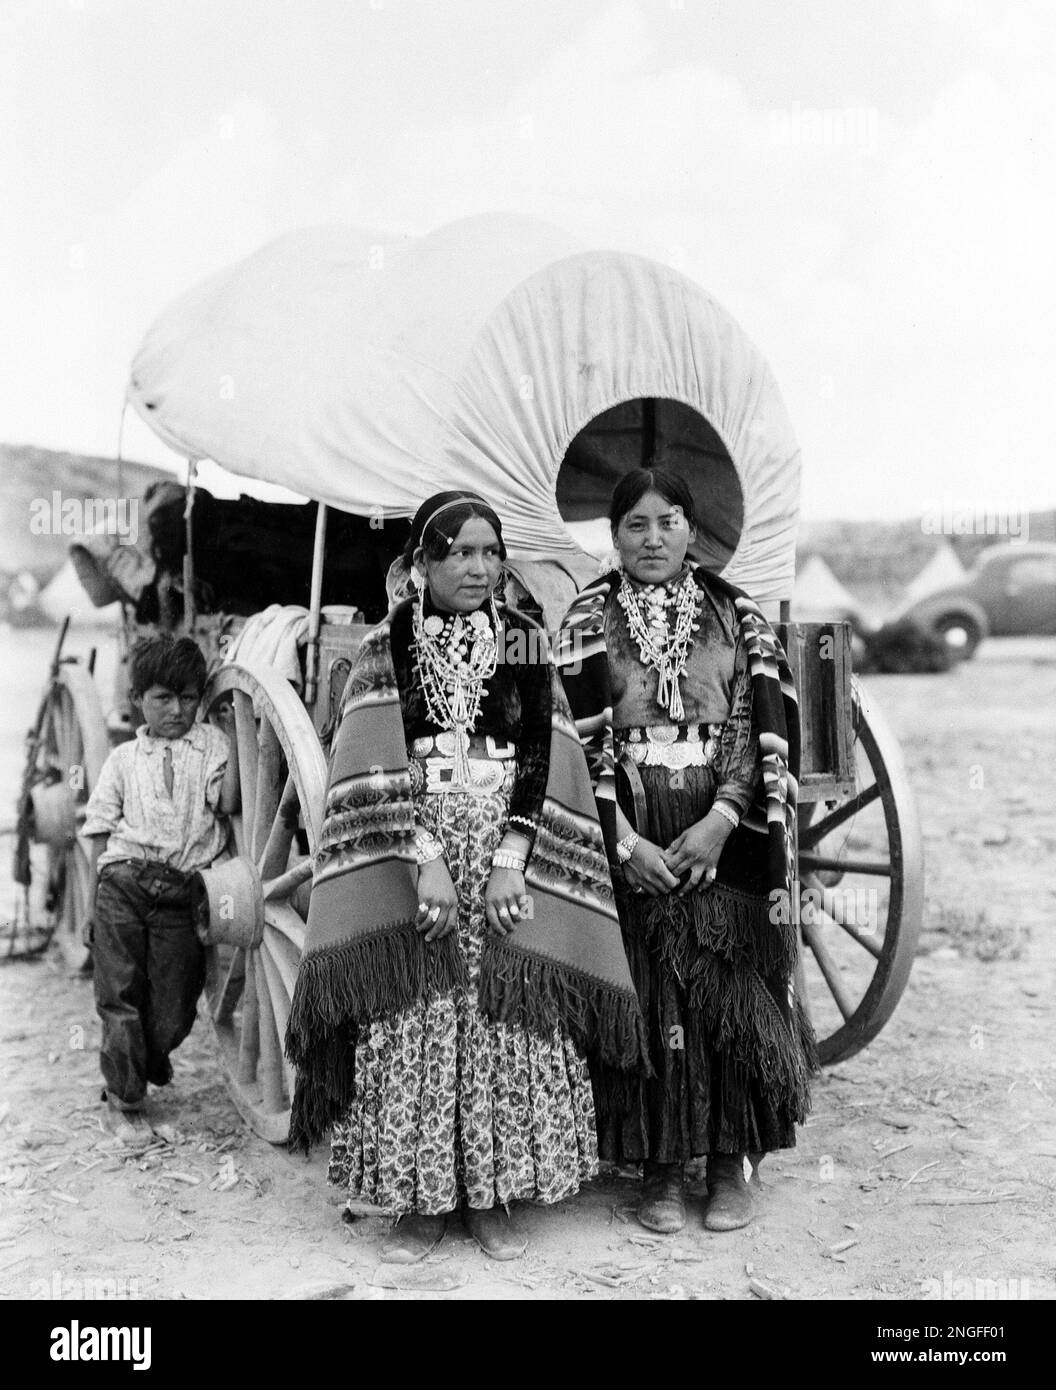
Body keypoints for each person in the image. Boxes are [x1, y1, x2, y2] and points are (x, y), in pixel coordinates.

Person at [286, 491, 645, 1263]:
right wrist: (426, 860)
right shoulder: (389, 647)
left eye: (491, 551)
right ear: (422, 563)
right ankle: (419, 1205)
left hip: (506, 850)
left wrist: (514, 857)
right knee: (417, 1012)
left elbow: (545, 755)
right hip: (413, 846)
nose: (479, 567)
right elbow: (372, 760)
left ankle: (494, 1194)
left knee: (505, 1016)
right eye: (459, 552)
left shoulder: (520, 639)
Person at [556, 467, 814, 1234]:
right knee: (654, 996)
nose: (653, 538)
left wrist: (726, 818)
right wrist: (624, 840)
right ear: (614, 538)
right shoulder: (582, 622)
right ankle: (663, 1170)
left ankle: (731, 1164)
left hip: (720, 828)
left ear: (692, 533)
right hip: (631, 829)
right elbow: (572, 741)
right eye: (635, 525)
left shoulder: (737, 619)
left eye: (668, 522)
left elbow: (757, 728)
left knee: (727, 991)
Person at [83, 635, 236, 1140]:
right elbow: (100, 832)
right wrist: (92, 904)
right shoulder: (123, 759)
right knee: (119, 994)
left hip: (180, 893)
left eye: (188, 698)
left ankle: (142, 1064)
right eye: (162, 699)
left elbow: (231, 799)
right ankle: (126, 1101)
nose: (176, 710)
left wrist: (239, 737)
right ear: (138, 702)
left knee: (173, 1010)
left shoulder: (213, 744)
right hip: (122, 884)